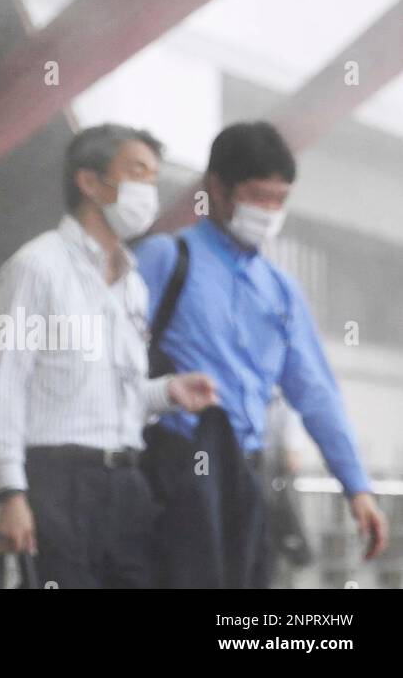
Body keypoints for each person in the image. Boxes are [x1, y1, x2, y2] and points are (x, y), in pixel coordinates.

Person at [134, 121, 388, 587]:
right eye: (257, 195)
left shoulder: (282, 291)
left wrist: (357, 487)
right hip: (176, 466)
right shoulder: (165, 260)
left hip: (251, 473)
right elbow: (105, 364)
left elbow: (315, 394)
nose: (269, 211)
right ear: (217, 188)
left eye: (279, 199)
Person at [0, 124, 217, 588]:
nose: (148, 189)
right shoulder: (37, 267)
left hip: (127, 484)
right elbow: (5, 384)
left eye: (153, 177)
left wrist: (167, 392)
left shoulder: (132, 285)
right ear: (89, 182)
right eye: (137, 173)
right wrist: (11, 493)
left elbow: (114, 398)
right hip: (58, 485)